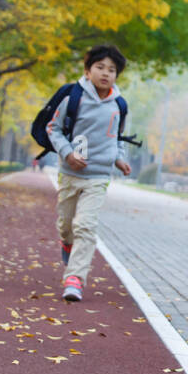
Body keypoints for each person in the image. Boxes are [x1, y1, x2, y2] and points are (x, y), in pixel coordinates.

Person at [46, 44, 133, 302]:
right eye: (100, 67)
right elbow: (54, 129)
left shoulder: (118, 105)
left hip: (99, 176)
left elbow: (116, 138)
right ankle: (67, 244)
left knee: (85, 225)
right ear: (87, 71)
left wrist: (119, 159)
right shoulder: (73, 97)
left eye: (112, 70)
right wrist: (68, 154)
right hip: (70, 174)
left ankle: (75, 278)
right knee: (66, 225)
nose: (106, 73)